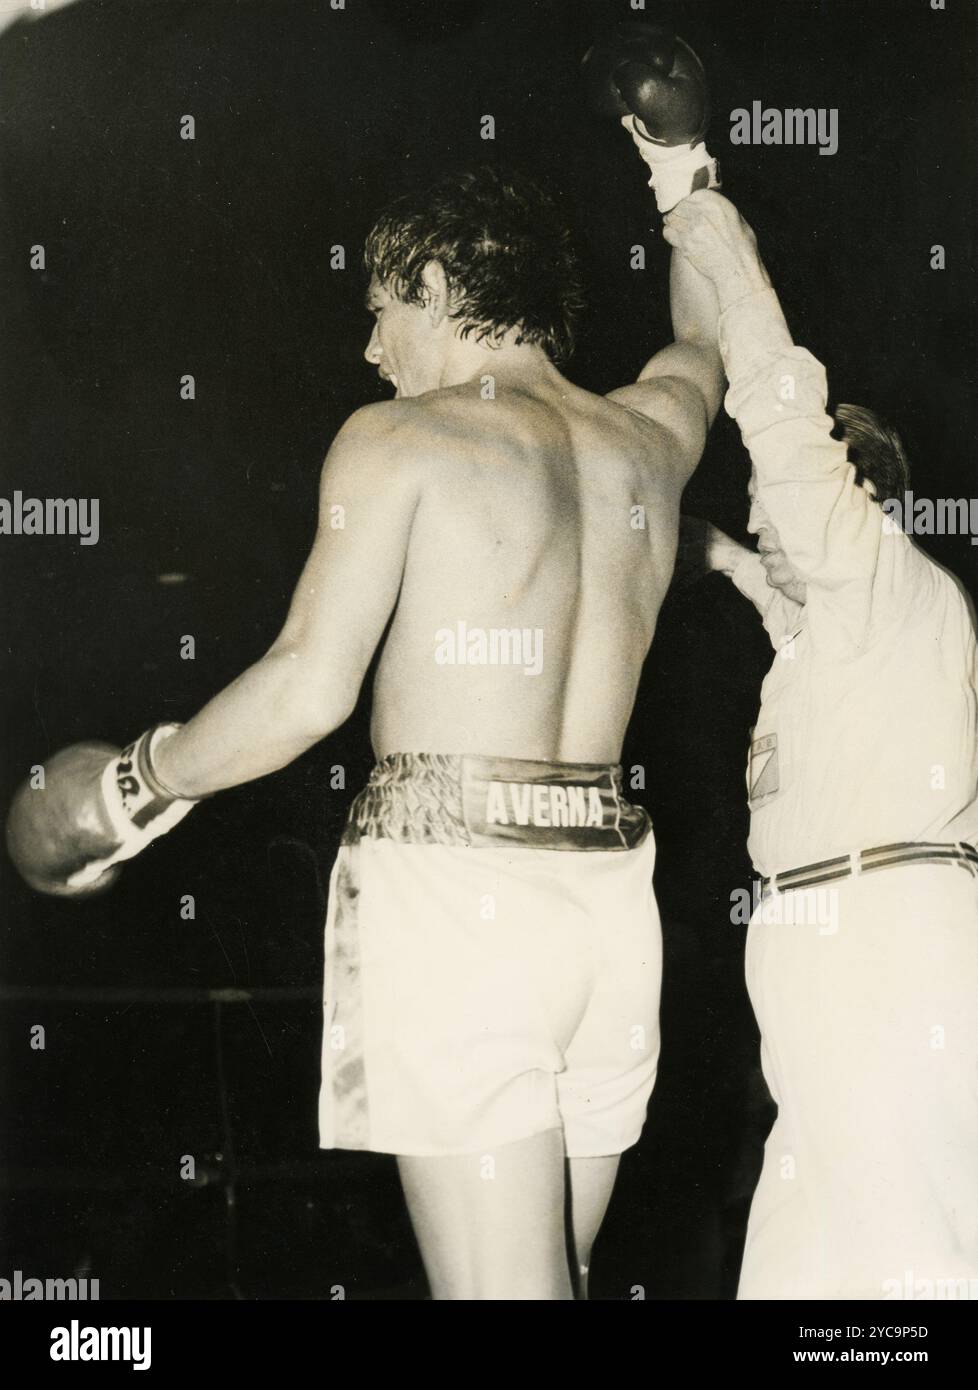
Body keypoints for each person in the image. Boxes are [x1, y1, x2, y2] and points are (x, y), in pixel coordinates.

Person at [7, 140, 726, 1295]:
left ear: (437, 286)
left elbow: (308, 685)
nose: (371, 345)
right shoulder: (652, 440)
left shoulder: (400, 439)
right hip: (607, 904)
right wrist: (683, 170)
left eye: (382, 307)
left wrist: (133, 788)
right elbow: (704, 345)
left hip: (459, 893)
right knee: (564, 1284)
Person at [666, 190, 978, 1300]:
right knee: (801, 1280)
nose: (763, 525)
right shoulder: (826, 636)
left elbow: (783, 424)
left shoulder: (890, 586)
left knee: (914, 1271)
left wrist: (700, 214)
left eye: (776, 506)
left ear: (863, 507)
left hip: (886, 952)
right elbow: (738, 566)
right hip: (821, 966)